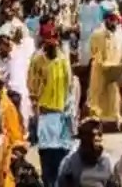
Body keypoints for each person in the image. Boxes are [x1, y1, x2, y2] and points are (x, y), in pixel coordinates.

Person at [29, 24, 74, 187]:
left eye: (55, 41)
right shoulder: (37, 60)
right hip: (46, 116)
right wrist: (36, 114)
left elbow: (70, 86)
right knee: (48, 158)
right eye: (49, 41)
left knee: (64, 157)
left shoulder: (63, 59)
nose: (53, 44)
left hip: (63, 115)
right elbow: (32, 89)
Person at [87, 5, 122, 128]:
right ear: (106, 20)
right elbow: (94, 52)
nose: (113, 22)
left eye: (115, 20)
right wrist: (103, 64)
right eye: (111, 19)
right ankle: (96, 121)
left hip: (114, 72)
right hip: (100, 71)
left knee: (113, 96)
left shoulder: (120, 36)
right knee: (97, 96)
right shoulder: (97, 34)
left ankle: (113, 119)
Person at [55, 118, 117, 187]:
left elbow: (113, 183)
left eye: (99, 135)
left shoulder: (106, 162)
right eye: (92, 136)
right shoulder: (69, 163)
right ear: (83, 139)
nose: (97, 139)